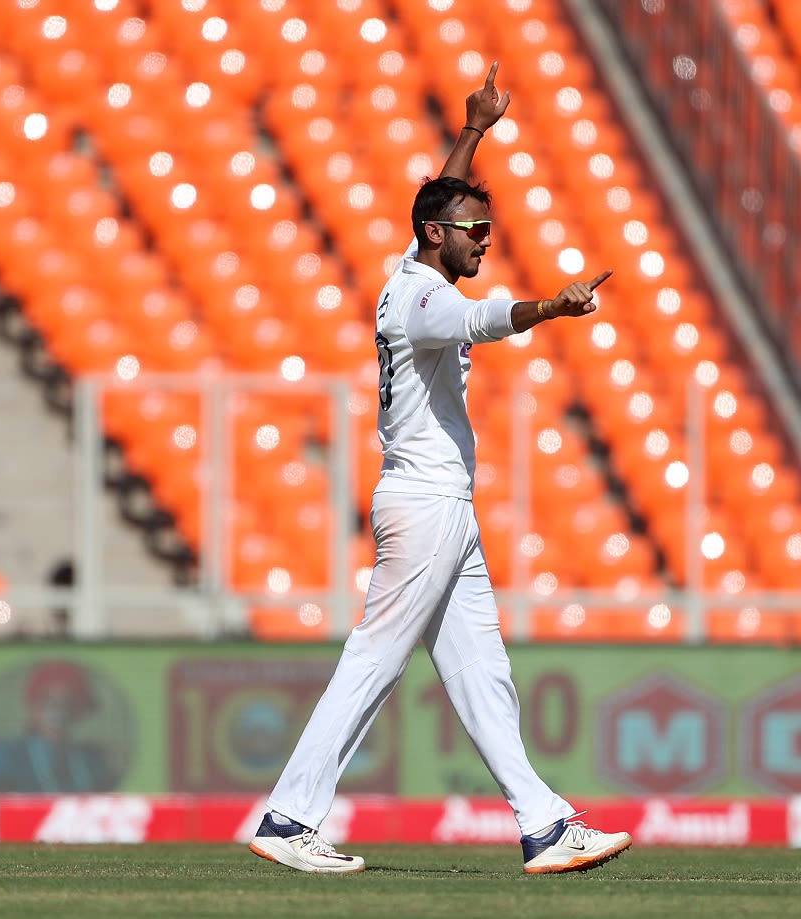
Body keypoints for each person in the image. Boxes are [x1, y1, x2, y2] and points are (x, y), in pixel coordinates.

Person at [248, 63, 632, 876]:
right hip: (423, 504)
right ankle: (287, 818)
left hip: (440, 505)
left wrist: (475, 130)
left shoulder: (411, 271)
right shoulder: (424, 300)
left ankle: (544, 824)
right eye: (473, 230)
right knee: (376, 658)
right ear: (436, 238)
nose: (483, 237)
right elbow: (488, 318)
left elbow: (440, 200)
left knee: (480, 667)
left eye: (486, 228)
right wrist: (553, 309)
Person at [0, 660, 118, 792]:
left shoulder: (91, 760)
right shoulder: (4, 755)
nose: (57, 710)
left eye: (68, 702)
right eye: (47, 701)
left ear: (79, 711)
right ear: (33, 708)